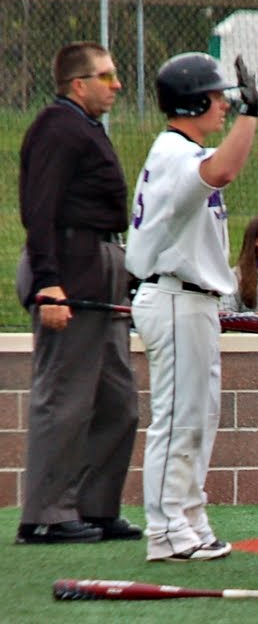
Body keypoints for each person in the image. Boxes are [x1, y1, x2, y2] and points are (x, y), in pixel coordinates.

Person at [125, 51, 258, 562]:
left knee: (199, 417)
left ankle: (189, 518)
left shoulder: (179, 150)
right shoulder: (175, 152)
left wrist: (246, 113)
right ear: (194, 99)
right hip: (174, 296)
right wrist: (252, 114)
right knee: (179, 419)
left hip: (190, 299)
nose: (224, 102)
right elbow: (223, 170)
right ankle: (164, 531)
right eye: (217, 94)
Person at [15, 42, 140, 544]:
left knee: (118, 402)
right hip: (69, 270)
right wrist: (48, 284)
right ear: (78, 83)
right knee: (63, 398)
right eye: (106, 76)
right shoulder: (56, 127)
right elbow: (38, 208)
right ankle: (45, 514)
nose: (116, 85)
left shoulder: (84, 127)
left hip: (100, 269)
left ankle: (93, 507)